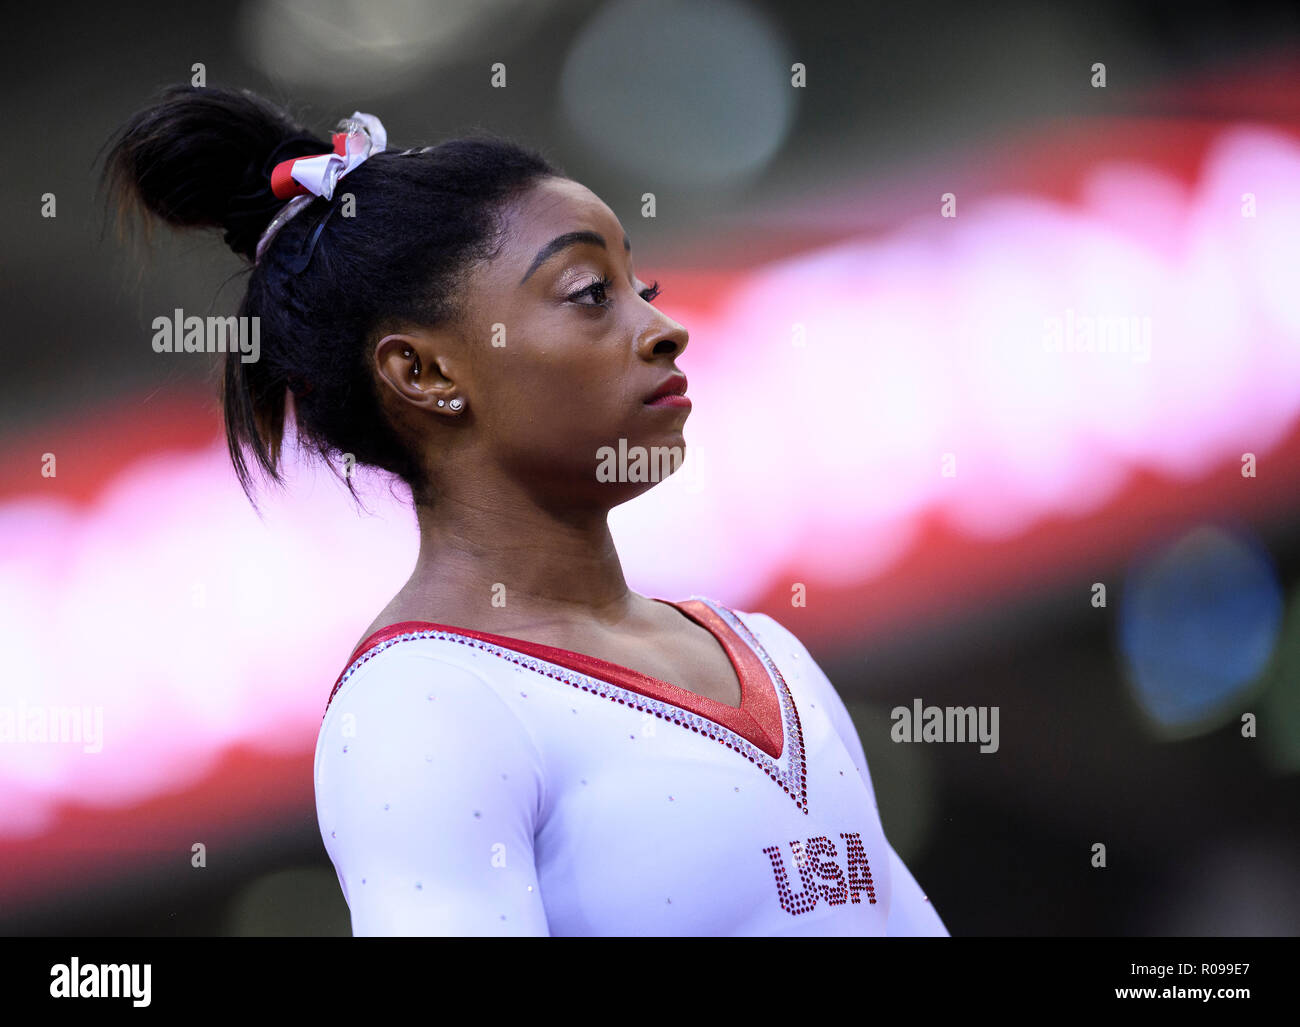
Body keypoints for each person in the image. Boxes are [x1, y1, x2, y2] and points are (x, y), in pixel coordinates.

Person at [104, 84, 949, 937]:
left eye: (641, 283)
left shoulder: (771, 652)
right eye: (591, 293)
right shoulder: (423, 705)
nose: (662, 328)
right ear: (424, 373)